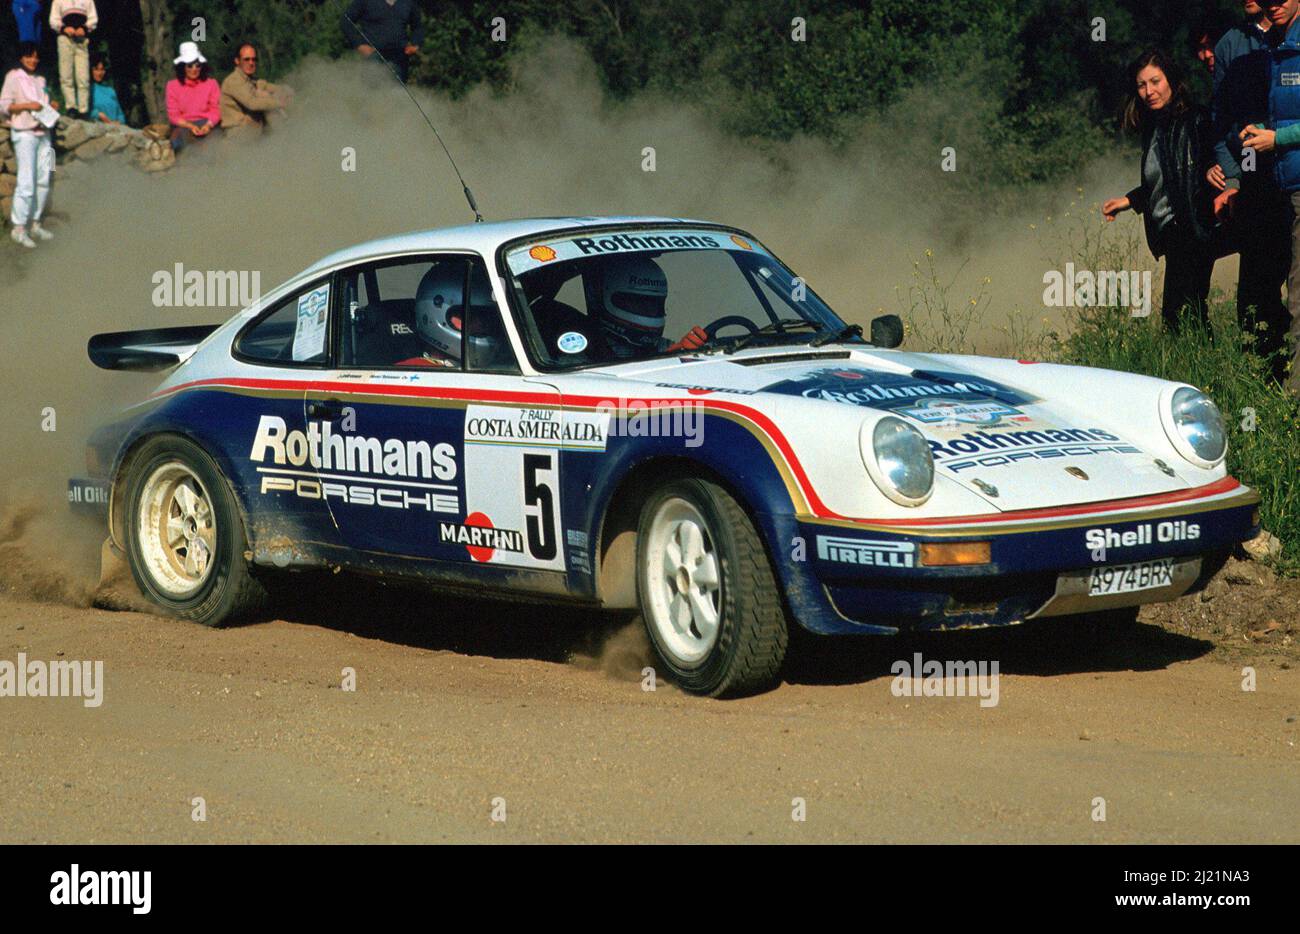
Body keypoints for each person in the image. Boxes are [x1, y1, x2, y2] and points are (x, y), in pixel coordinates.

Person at [1102, 50, 1218, 332]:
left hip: (1193, 228)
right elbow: (1165, 181)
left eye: (1155, 81)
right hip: (1173, 233)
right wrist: (1129, 200)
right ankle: (1199, 357)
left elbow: (1205, 169)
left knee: (1182, 315)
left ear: (1172, 81)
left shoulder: (1197, 119)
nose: (1148, 91)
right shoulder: (1155, 127)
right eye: (1142, 85)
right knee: (1182, 315)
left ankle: (1198, 359)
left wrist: (1214, 170)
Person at [1211, 0, 1290, 363]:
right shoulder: (1231, 44)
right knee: (1256, 293)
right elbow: (1223, 121)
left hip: (1290, 174)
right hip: (1257, 180)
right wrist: (1234, 178)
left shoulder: (1288, 35)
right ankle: (1263, 371)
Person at [1238, 0, 1300, 391]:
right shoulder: (1276, 44)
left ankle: (1293, 404)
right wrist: (1262, 129)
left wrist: (1276, 139)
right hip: (1285, 188)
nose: (1272, 4)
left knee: (1299, 301)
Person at [583, 255, 708, 360]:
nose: (650, 310)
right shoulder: (581, 353)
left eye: (655, 304)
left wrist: (684, 353)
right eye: (638, 302)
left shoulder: (666, 347)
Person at [1, 43, 58, 248]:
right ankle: (19, 228)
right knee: (26, 180)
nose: (33, 60)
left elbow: (44, 104)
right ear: (21, 57)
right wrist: (27, 105)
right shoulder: (13, 76)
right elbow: (4, 105)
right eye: (29, 56)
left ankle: (35, 222)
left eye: (35, 57)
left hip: (45, 134)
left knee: (45, 177)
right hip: (24, 133)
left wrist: (51, 105)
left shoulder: (41, 79)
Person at [219, 42, 291, 140]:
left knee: (270, 95)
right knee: (264, 97)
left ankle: (288, 133)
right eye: (246, 59)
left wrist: (286, 92)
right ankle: (286, 136)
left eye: (254, 59)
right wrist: (278, 102)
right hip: (238, 132)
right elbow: (252, 103)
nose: (251, 63)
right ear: (237, 61)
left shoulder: (251, 80)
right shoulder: (233, 81)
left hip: (253, 129)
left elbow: (266, 86)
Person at [341, 0, 423, 83]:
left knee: (397, 90)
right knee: (373, 89)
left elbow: (418, 26)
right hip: (373, 56)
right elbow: (346, 21)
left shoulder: (408, 2)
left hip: (399, 58)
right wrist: (359, 45)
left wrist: (415, 43)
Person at [165, 41, 220, 151]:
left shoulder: (211, 84)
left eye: (197, 65)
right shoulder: (172, 86)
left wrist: (208, 125)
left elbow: (216, 109)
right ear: (182, 67)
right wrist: (190, 126)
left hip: (207, 123)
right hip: (183, 125)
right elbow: (173, 115)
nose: (194, 69)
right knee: (179, 144)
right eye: (189, 65)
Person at [48, 0, 96, 117]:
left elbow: (93, 18)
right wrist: (63, 28)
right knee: (66, 75)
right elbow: (53, 19)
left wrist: (84, 28)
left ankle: (83, 110)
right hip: (65, 39)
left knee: (83, 76)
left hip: (81, 40)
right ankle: (71, 107)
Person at [89, 53, 124, 124]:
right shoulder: (88, 90)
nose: (99, 73)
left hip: (116, 127)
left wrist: (119, 122)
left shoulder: (110, 90)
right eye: (96, 69)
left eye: (102, 69)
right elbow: (83, 111)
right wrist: (98, 114)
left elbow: (120, 114)